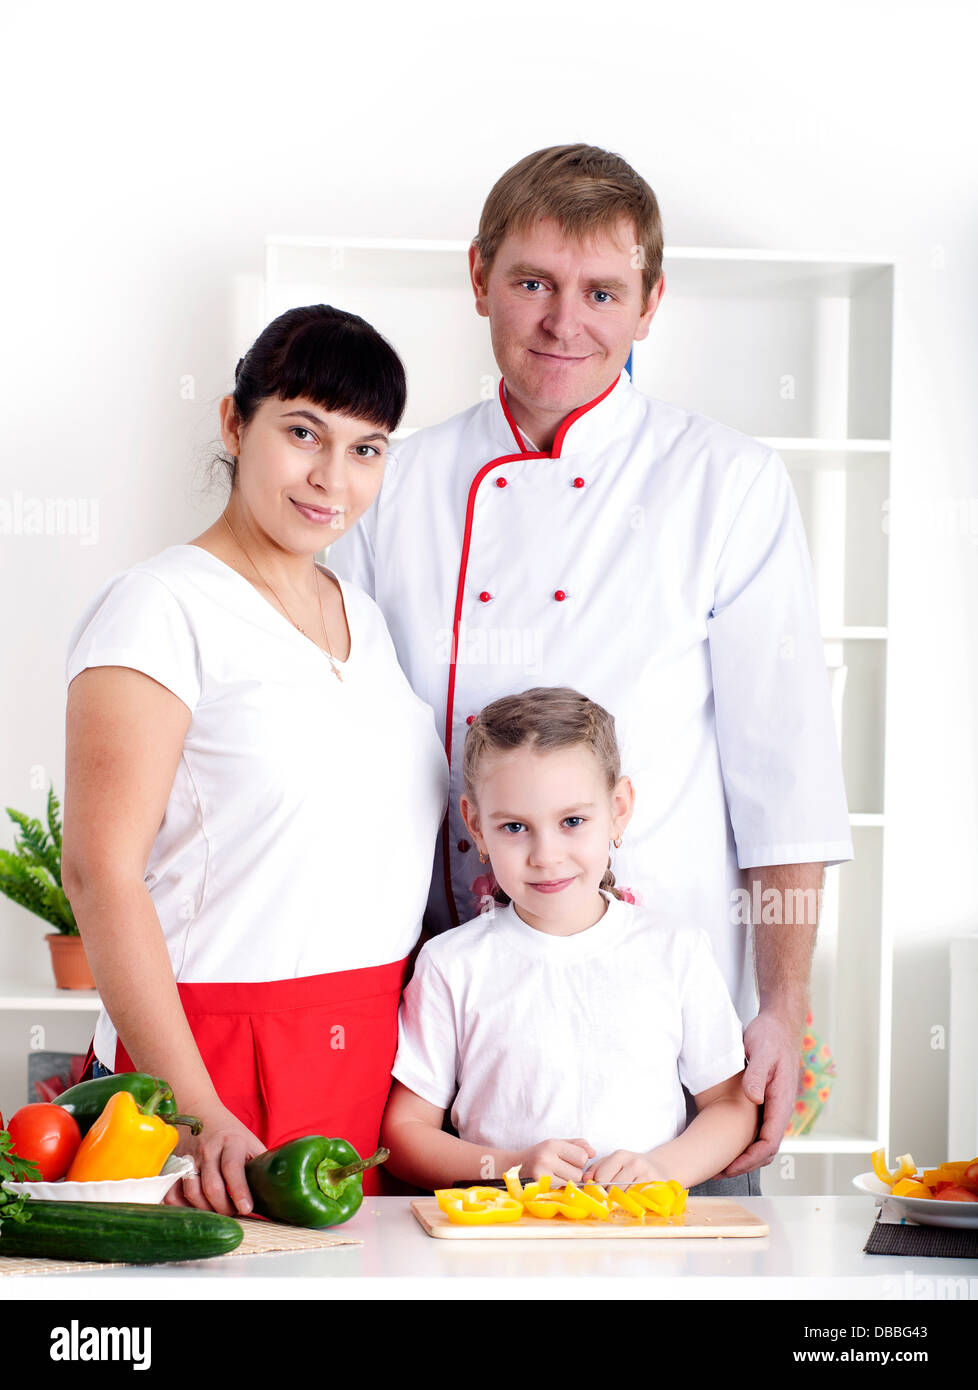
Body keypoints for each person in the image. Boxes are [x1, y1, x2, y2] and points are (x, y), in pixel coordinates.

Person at [326, 145, 854, 1194]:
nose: (566, 324)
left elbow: (783, 777)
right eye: (533, 284)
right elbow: (347, 748)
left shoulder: (726, 481)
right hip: (456, 1018)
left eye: (603, 291)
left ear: (651, 303)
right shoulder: (397, 479)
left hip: (669, 1059)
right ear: (478, 277)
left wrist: (783, 1005)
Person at [61, 304, 449, 1213]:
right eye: (303, 433)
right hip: (214, 1059)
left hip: (372, 1058)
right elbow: (99, 874)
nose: (332, 478)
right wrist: (195, 1110)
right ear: (236, 424)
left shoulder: (367, 616)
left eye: (367, 449)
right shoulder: (158, 609)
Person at [381, 688, 760, 1191]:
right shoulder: (451, 964)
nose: (546, 854)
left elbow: (731, 1104)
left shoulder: (676, 950)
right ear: (476, 825)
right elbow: (404, 1135)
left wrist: (665, 1171)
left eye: (572, 822)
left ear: (619, 809)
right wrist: (511, 1164)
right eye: (515, 826)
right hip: (502, 1247)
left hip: (644, 1243)